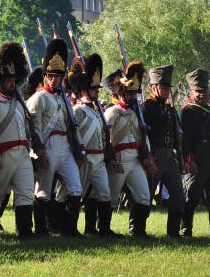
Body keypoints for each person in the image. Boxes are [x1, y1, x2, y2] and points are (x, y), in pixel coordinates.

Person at [0, 42, 37, 239]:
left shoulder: (18, 102)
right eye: (8, 80)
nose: (12, 83)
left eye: (14, 79)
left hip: (22, 154)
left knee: (26, 192)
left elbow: (27, 128)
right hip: (1, 155)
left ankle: (25, 232)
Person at [27, 38, 85, 237]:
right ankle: (41, 229)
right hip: (48, 145)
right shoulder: (38, 98)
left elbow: (71, 125)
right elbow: (33, 129)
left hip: (65, 145)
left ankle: (69, 229)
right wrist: (38, 151)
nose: (54, 79)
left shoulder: (64, 100)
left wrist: (78, 148)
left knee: (76, 187)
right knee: (43, 190)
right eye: (51, 75)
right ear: (45, 76)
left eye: (58, 76)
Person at [104, 61, 157, 237]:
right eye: (130, 93)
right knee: (111, 198)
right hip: (118, 159)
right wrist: (111, 159)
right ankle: (104, 229)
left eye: (135, 93)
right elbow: (104, 139)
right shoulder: (112, 112)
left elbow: (142, 138)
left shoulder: (135, 113)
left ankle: (138, 230)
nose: (134, 97)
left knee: (143, 195)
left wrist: (147, 158)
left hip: (134, 159)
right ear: (123, 93)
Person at [68, 54, 119, 237]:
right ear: (84, 90)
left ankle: (102, 229)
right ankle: (70, 228)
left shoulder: (96, 112)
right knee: (75, 192)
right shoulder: (78, 111)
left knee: (104, 194)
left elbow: (104, 137)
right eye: (93, 89)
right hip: (84, 157)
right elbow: (74, 136)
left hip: (98, 158)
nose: (97, 92)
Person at [142, 65, 186, 237]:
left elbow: (177, 135)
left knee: (177, 194)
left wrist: (179, 155)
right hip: (154, 154)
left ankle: (173, 232)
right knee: (146, 193)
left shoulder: (170, 109)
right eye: (163, 87)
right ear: (153, 87)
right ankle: (137, 229)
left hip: (170, 155)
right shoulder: (146, 108)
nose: (167, 91)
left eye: (168, 87)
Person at [180, 68, 210, 237]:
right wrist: (189, 159)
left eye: (204, 91)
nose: (201, 94)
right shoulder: (188, 110)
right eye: (198, 91)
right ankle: (185, 229)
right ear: (191, 91)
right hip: (197, 159)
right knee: (192, 197)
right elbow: (185, 138)